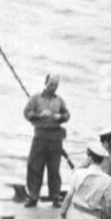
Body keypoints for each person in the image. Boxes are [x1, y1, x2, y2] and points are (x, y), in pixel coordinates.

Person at [23, 74, 70, 207]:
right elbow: (26, 112)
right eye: (51, 84)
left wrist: (60, 116)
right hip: (40, 136)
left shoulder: (60, 100)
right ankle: (33, 196)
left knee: (54, 169)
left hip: (55, 138)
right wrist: (38, 115)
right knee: (34, 166)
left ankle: (55, 197)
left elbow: (67, 115)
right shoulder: (35, 98)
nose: (53, 87)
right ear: (45, 83)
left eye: (55, 85)